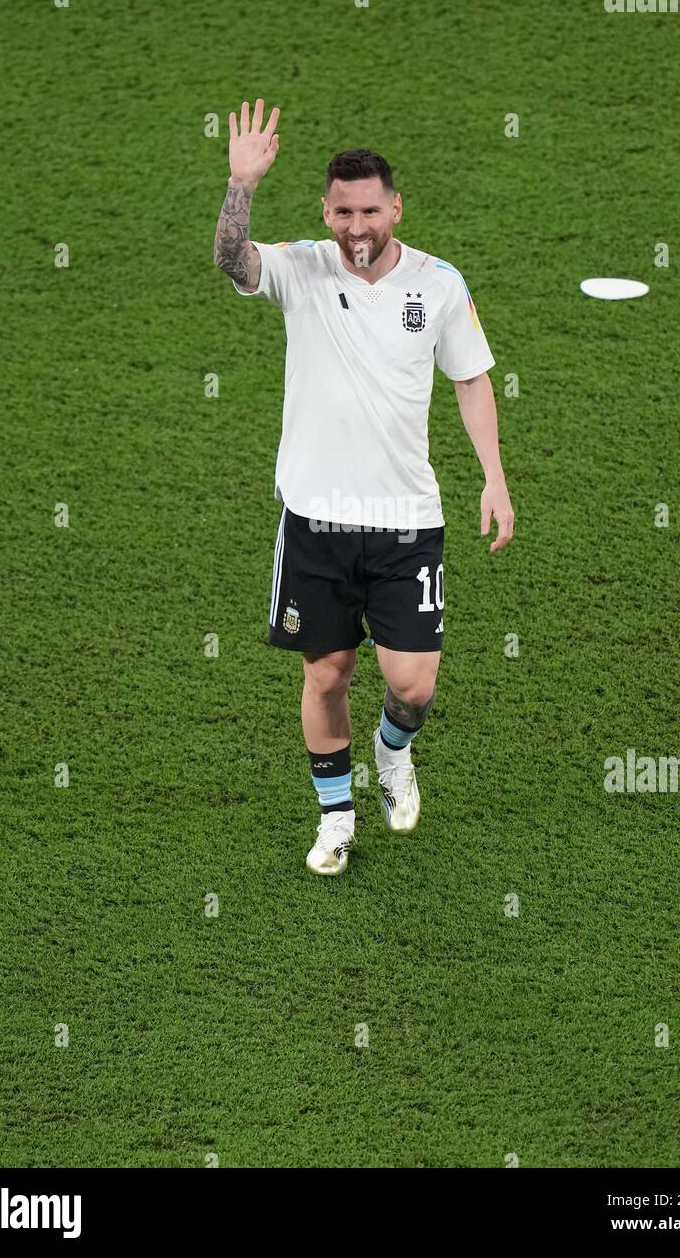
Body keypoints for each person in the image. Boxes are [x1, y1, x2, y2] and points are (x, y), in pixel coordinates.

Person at [214, 99, 515, 875]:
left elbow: (473, 380)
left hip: (406, 520)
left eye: (370, 211)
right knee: (328, 672)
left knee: (412, 685)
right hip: (315, 520)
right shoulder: (302, 268)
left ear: (395, 208)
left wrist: (494, 477)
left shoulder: (440, 285)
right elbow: (232, 259)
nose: (356, 226)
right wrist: (240, 184)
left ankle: (392, 752)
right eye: (343, 211)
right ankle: (336, 815)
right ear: (326, 209)